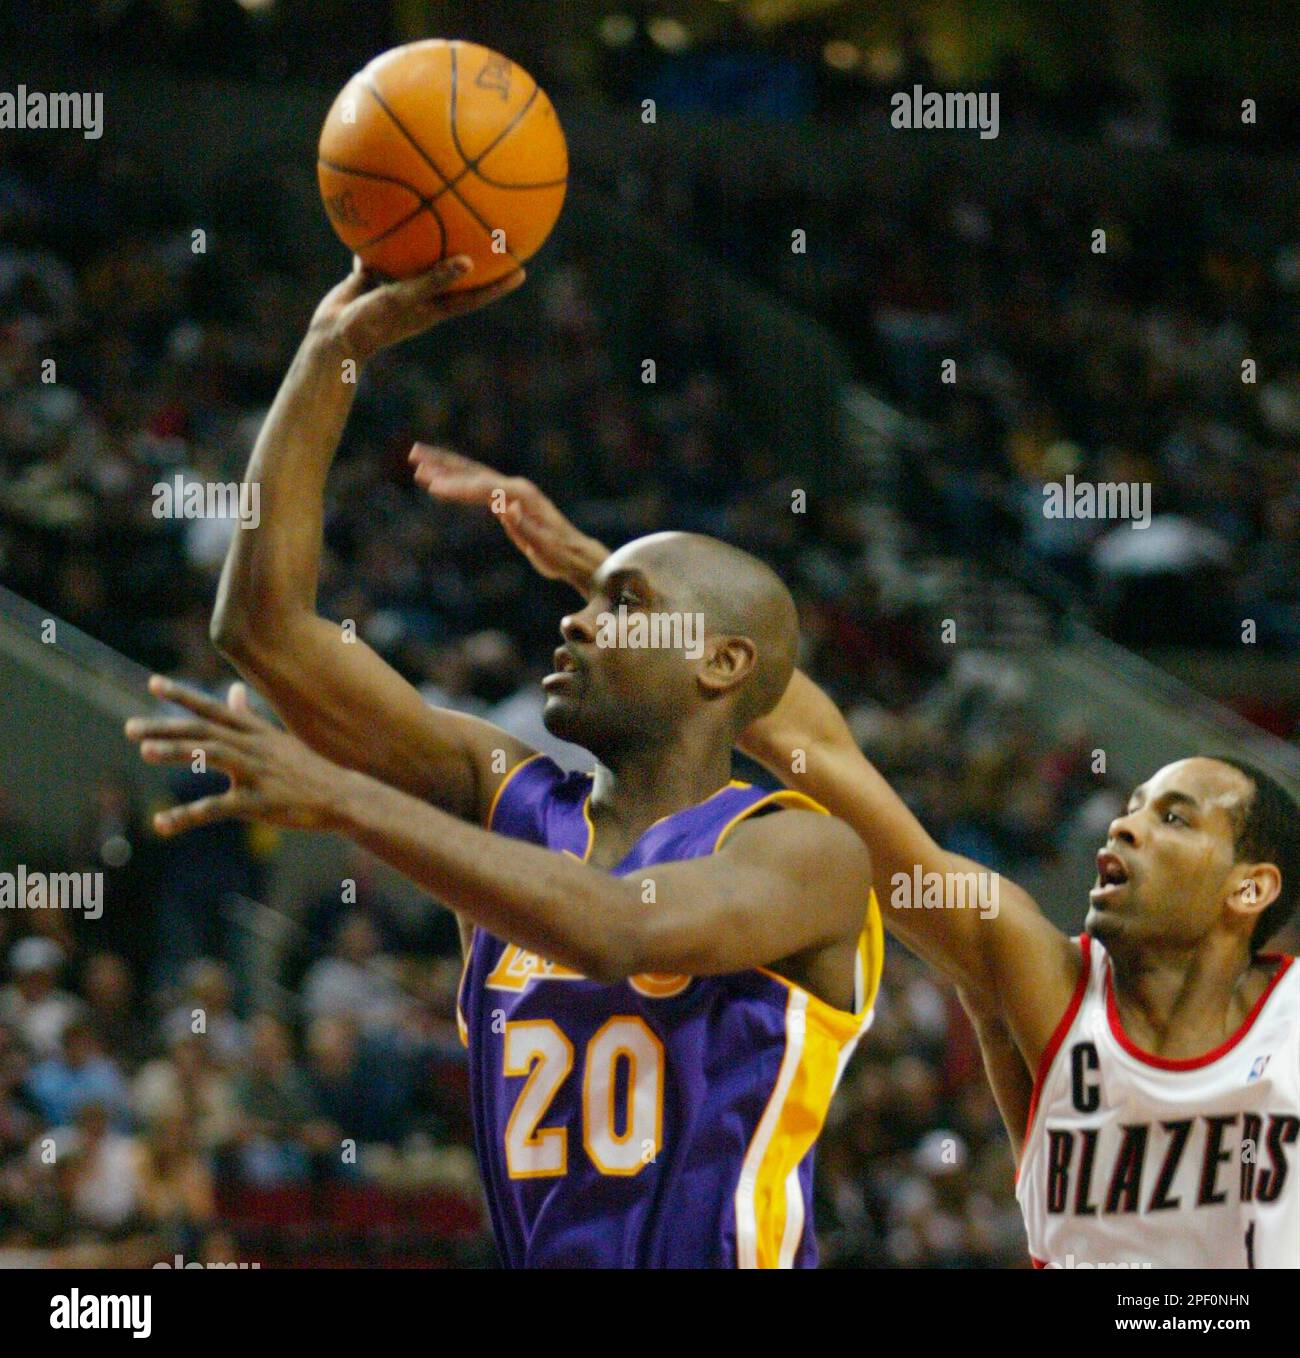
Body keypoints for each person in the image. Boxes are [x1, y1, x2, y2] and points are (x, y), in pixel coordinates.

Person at [124, 256, 883, 1269]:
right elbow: (264, 629)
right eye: (589, 594)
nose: (574, 617)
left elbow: (616, 926)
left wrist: (348, 798)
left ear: (722, 660)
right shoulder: (508, 796)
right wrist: (327, 356)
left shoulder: (806, 851)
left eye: (623, 602)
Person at [418, 450, 1300, 1269]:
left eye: (1173, 818)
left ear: (1251, 887)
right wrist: (606, 580)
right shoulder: (1037, 977)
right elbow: (817, 750)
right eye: (1133, 806)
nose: (1123, 827)